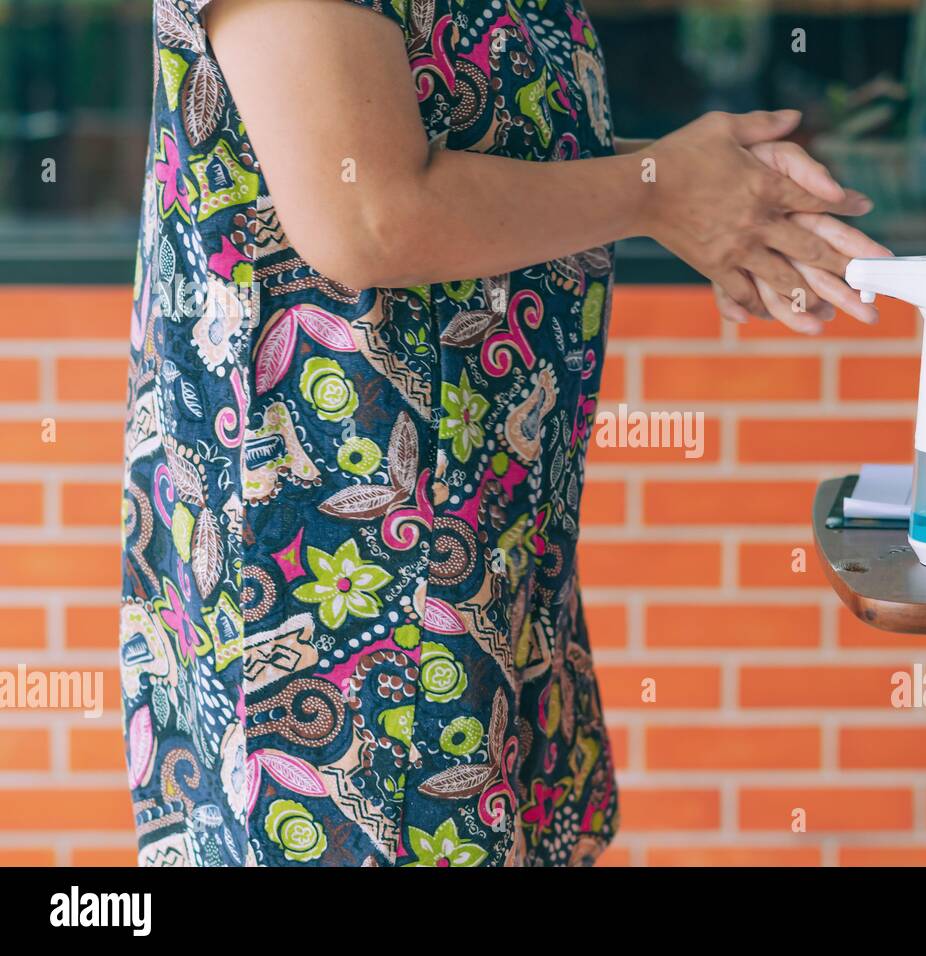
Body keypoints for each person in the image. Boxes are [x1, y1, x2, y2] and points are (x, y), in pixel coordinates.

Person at [119, 0, 886, 867]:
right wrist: (662, 189)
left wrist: (703, 189)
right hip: (353, 610)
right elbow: (368, 214)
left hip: (491, 561)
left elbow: (470, 151)